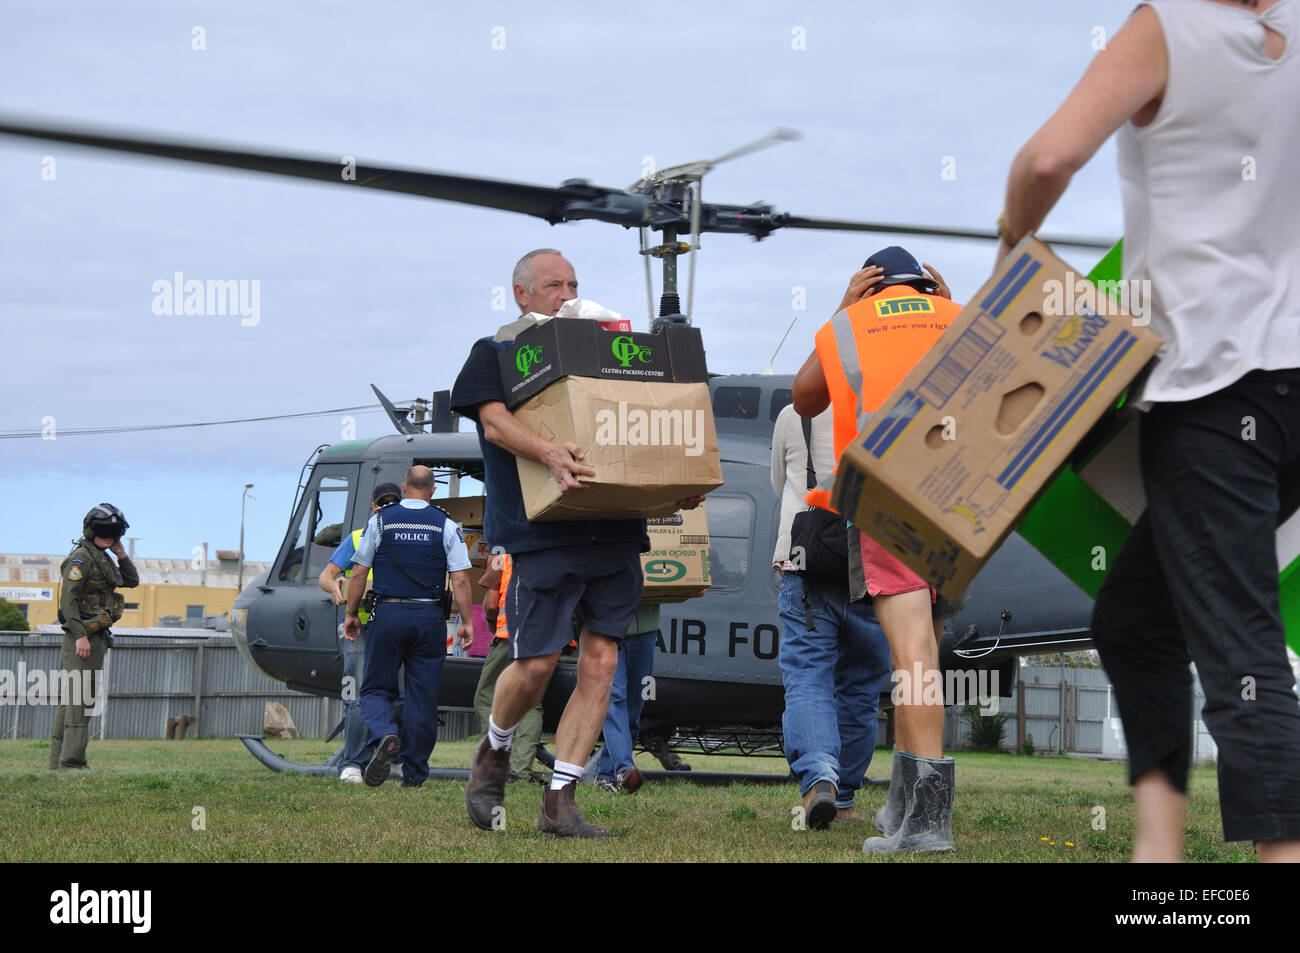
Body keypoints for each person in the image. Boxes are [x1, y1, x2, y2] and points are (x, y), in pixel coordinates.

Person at [998, 0, 1300, 861]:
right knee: (1135, 619)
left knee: (1243, 652)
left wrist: (1013, 242)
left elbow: (1048, 158)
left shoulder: (1167, 26)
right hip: (1290, 391)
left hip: (1217, 392)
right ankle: (1157, 860)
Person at [452, 247, 703, 838]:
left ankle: (560, 798)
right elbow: (493, 422)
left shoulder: (608, 353)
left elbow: (639, 428)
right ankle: (495, 747)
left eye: (572, 284)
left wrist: (676, 483)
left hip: (614, 531)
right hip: (542, 535)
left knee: (603, 659)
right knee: (536, 663)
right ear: (521, 294)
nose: (566, 295)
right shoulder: (497, 351)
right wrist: (548, 452)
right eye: (553, 286)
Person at [793, 248, 967, 853]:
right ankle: (903, 806)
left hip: (888, 497)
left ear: (871, 287)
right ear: (924, 285)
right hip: (961, 501)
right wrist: (948, 306)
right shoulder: (959, 319)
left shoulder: (851, 325)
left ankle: (927, 824)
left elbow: (805, 399)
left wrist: (842, 310)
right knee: (928, 656)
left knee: (911, 658)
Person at [771, 403, 892, 828]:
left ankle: (819, 777)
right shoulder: (891, 409)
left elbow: (779, 482)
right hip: (874, 567)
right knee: (860, 690)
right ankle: (843, 801)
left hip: (807, 564)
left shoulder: (795, 414)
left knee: (808, 678)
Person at [343, 467, 475, 787]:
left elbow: (358, 573)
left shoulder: (380, 521)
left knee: (375, 689)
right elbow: (460, 578)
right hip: (429, 618)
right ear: (433, 490)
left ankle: (385, 733)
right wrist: (468, 622)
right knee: (422, 697)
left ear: (404, 487)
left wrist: (351, 613)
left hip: (387, 614)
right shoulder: (445, 524)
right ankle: (414, 775)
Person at [318, 482, 402, 783]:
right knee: (355, 696)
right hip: (360, 628)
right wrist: (335, 588)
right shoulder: (356, 537)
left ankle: (390, 758)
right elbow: (326, 576)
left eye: (393, 502)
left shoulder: (405, 537)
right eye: (383, 503)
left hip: (392, 626)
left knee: (396, 695)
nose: (387, 507)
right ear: (373, 506)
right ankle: (353, 762)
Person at [50, 504, 138, 770]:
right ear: (91, 531)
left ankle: (57, 764)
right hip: (83, 637)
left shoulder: (102, 557)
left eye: (114, 533)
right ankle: (72, 763)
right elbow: (68, 601)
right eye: (103, 532)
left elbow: (131, 581)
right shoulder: (81, 558)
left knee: (73, 700)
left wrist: (122, 555)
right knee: (80, 700)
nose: (109, 538)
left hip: (95, 635)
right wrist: (80, 636)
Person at [473, 551, 547, 783]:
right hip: (546, 639)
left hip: (509, 636)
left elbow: (491, 605)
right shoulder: (559, 552)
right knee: (531, 702)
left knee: (487, 697)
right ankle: (521, 771)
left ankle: (493, 765)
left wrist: (493, 625)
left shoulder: (503, 556)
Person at [593, 606, 661, 794]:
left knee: (634, 707)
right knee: (614, 697)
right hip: (609, 627)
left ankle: (606, 776)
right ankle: (624, 768)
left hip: (646, 628)